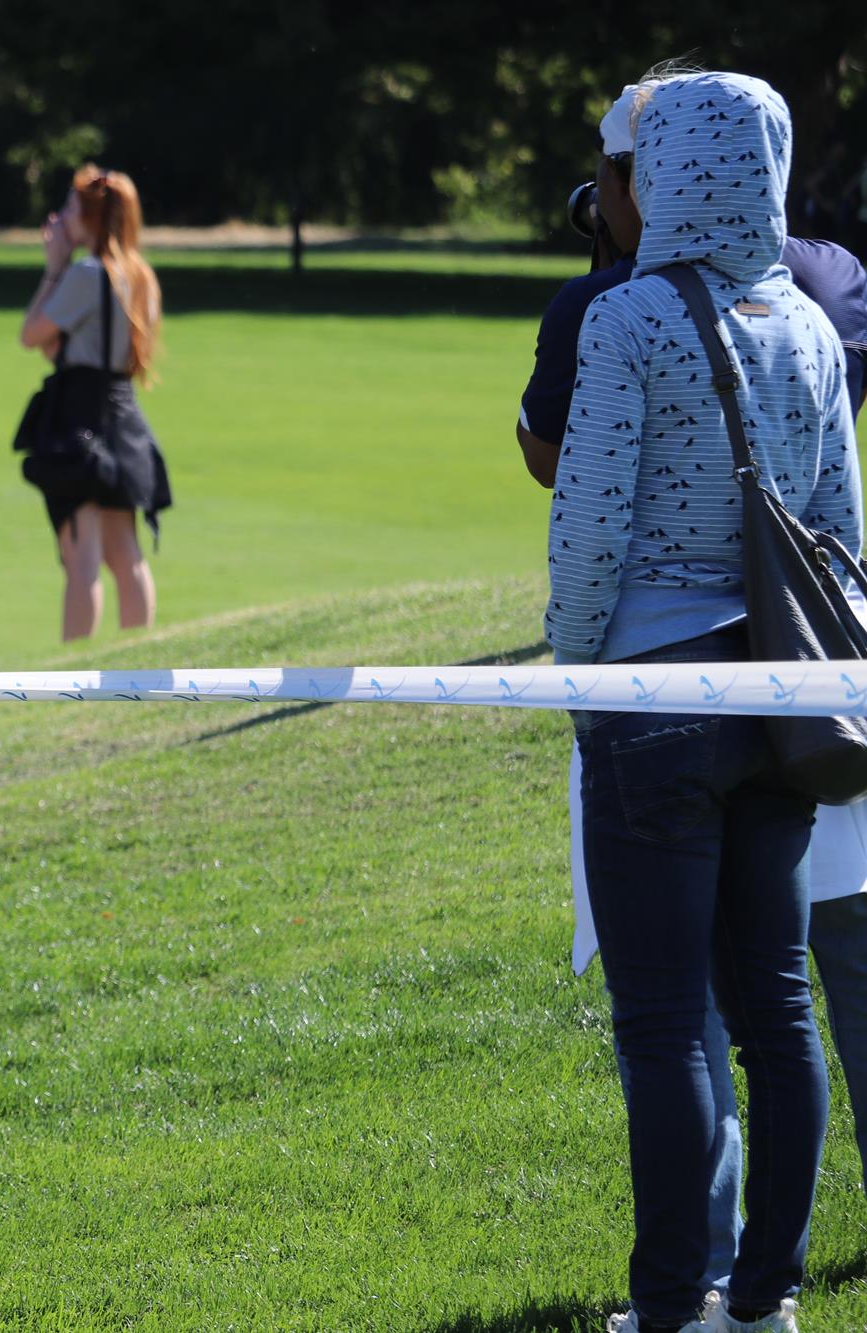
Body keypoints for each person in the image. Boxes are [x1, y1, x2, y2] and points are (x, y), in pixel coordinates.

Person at [519, 74, 867, 1314]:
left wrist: (572, 672)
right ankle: (764, 1295)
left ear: (661, 168)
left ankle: (671, 1305)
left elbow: (587, 533)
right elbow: (838, 537)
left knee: (664, 1018)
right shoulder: (812, 330)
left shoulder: (624, 321)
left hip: (650, 695)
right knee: (775, 1010)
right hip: (780, 693)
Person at [17, 164, 172, 642]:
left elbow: (33, 335)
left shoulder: (86, 273)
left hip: (80, 416)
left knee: (82, 559)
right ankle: (136, 657)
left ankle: (73, 669)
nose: (61, 217)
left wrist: (53, 268)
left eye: (69, 208)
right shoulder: (139, 273)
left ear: (90, 217)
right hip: (123, 414)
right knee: (126, 555)